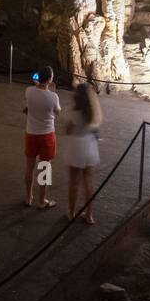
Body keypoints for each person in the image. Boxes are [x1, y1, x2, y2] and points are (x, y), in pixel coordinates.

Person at [62, 83, 102, 224]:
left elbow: (67, 129)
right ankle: (89, 215)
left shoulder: (75, 111)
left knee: (74, 182)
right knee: (88, 183)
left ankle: (72, 212)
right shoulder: (93, 112)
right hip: (90, 145)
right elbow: (95, 129)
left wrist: (67, 129)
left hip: (77, 147)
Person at [23, 66, 61, 209]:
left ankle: (28, 197)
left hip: (31, 133)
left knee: (29, 168)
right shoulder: (53, 96)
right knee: (44, 168)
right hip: (46, 135)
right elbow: (57, 112)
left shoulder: (29, 91)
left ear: (39, 77)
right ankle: (42, 200)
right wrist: (52, 92)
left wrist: (37, 82)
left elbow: (34, 90)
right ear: (50, 79)